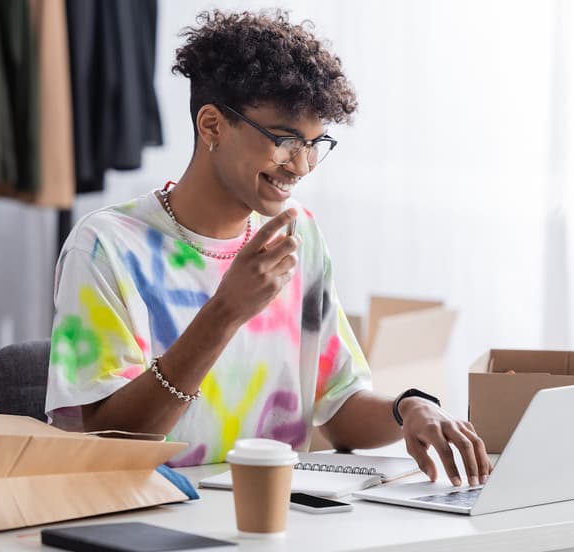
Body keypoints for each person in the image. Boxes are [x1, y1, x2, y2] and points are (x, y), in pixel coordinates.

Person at [45, 9, 491, 487]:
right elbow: (115, 441)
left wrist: (410, 407)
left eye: (316, 143)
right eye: (283, 139)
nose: (301, 165)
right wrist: (225, 312)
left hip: (271, 518)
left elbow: (337, 408)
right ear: (212, 126)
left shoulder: (297, 235)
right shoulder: (106, 246)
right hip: (148, 513)